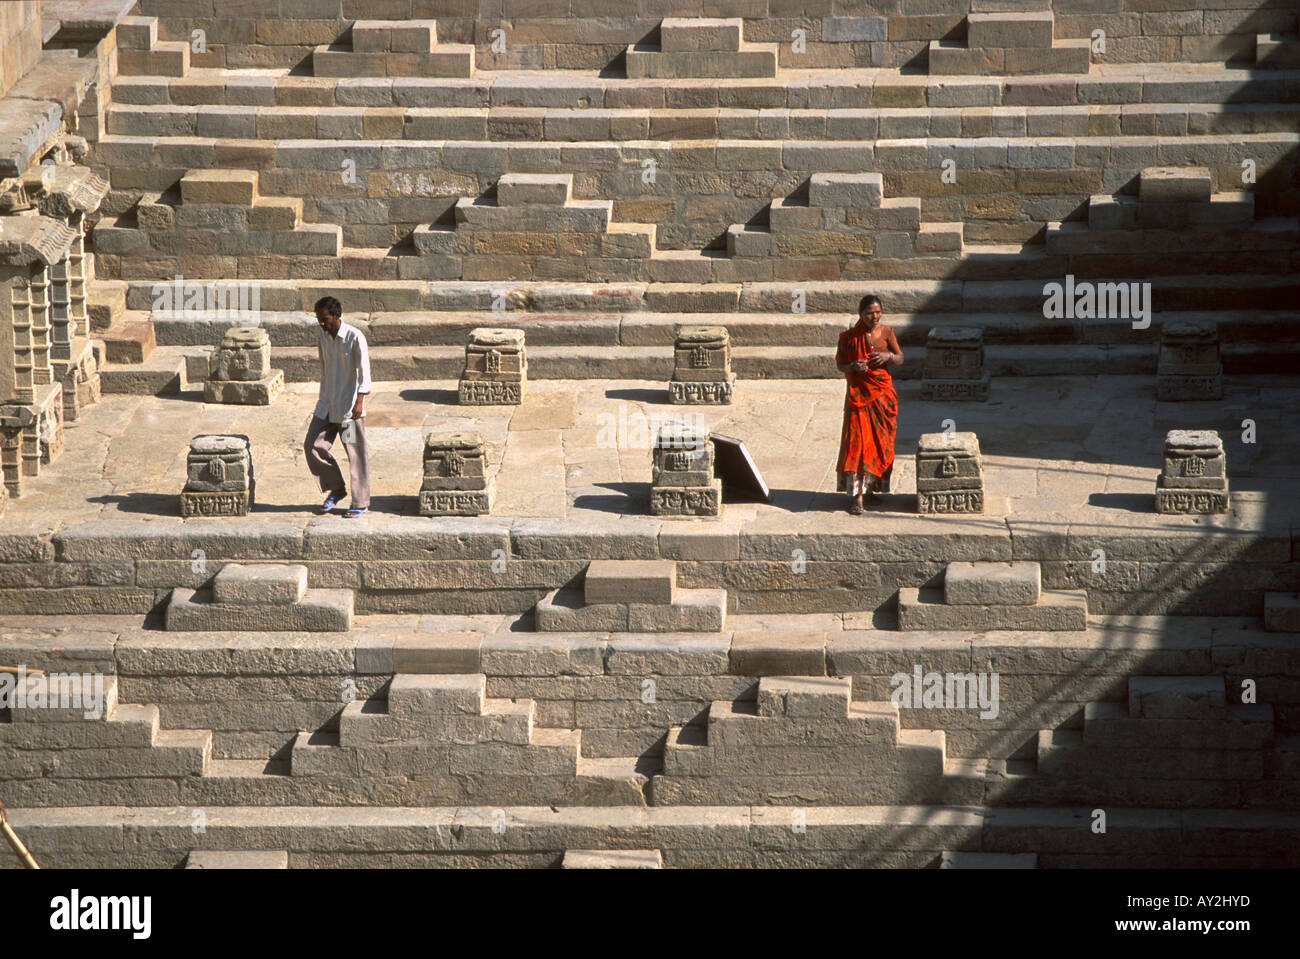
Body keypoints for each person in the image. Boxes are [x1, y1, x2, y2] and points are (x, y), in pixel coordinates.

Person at [304, 296, 372, 518]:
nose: (321, 323)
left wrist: (360, 402)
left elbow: (364, 371)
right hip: (326, 404)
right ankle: (336, 487)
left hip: (349, 409)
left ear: (336, 315)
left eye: (324, 319)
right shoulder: (322, 336)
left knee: (355, 453)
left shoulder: (354, 337)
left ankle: (360, 502)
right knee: (312, 446)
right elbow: (324, 367)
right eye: (318, 320)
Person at [835, 294, 902, 515]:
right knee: (857, 445)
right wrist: (853, 365)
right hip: (859, 398)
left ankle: (871, 489)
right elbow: (840, 365)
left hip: (882, 395)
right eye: (869, 313)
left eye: (877, 312)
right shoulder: (847, 338)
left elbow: (900, 358)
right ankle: (857, 497)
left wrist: (888, 356)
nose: (874, 317)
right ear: (860, 314)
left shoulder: (887, 333)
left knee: (880, 443)